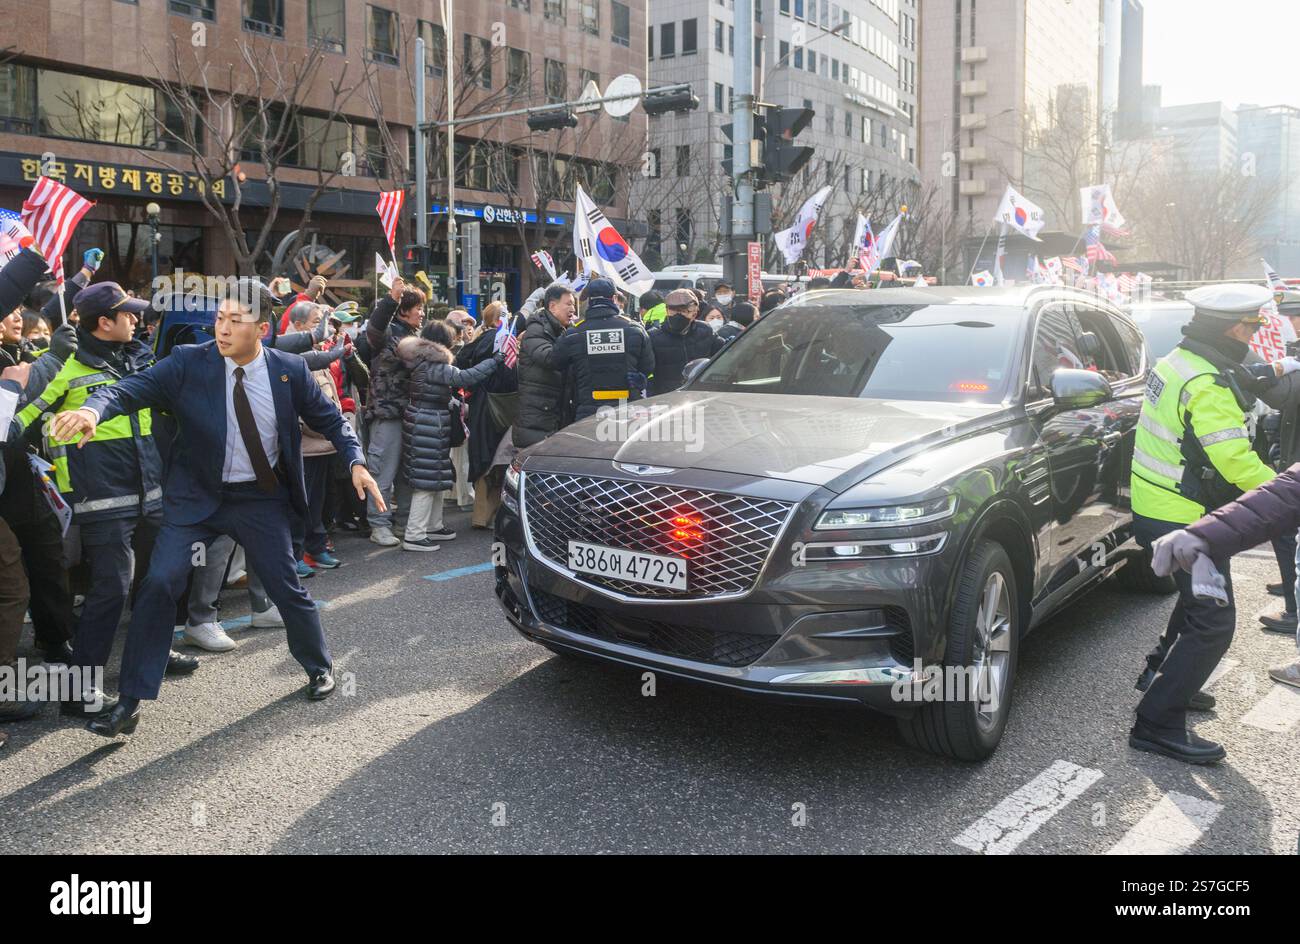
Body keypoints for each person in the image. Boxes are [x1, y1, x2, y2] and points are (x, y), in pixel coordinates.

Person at [50, 279, 383, 737]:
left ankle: (318, 666)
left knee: (286, 587)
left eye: (235, 320)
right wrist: (91, 411)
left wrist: (357, 462)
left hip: (260, 499)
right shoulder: (189, 362)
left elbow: (332, 421)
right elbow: (127, 390)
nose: (223, 329)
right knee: (159, 583)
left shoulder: (289, 371)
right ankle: (128, 703)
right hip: (197, 500)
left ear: (262, 329)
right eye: (220, 318)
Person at [18, 281, 198, 712]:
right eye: (128, 313)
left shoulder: (139, 359)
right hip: (101, 497)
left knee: (159, 581)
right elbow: (18, 419)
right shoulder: (62, 366)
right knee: (112, 589)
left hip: (150, 491)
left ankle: (154, 653)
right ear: (104, 322)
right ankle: (79, 691)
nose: (136, 319)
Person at [1127, 283, 1287, 764]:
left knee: (1195, 604)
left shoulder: (1179, 361)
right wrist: (1286, 494)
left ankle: (1159, 673)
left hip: (1160, 509)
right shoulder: (1206, 384)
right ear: (1233, 329)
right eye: (1251, 328)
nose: (1253, 336)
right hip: (1185, 521)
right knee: (1214, 622)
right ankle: (1156, 723)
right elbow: (1236, 462)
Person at [1150, 461, 1300, 691]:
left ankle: (1163, 685)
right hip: (1184, 511)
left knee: (1209, 619)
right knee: (1210, 619)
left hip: (1179, 509)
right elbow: (1279, 488)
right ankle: (1161, 682)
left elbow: (1236, 461)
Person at [396, 320, 501, 550]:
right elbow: (465, 377)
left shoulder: (419, 360)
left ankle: (433, 526)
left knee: (434, 478)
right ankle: (414, 535)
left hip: (424, 422)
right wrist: (494, 362)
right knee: (426, 483)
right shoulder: (436, 365)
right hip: (429, 424)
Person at [364, 278, 424, 547]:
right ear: (403, 311)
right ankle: (379, 525)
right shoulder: (388, 333)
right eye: (418, 308)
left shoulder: (415, 336)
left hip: (410, 412)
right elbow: (375, 328)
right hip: (387, 412)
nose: (422, 313)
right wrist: (391, 299)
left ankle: (405, 522)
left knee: (407, 473)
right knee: (382, 472)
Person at [548, 279, 654, 421]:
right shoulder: (635, 329)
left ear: (590, 300)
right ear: (614, 298)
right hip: (628, 408)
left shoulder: (574, 333)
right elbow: (648, 367)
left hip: (589, 411)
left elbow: (555, 362)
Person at [514, 283, 576, 449]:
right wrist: (573, 338)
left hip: (555, 416)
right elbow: (550, 358)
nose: (573, 309)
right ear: (552, 306)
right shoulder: (536, 330)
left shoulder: (563, 330)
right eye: (568, 304)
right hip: (538, 419)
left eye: (574, 305)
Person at [646, 288, 725, 397]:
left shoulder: (705, 330)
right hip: (667, 397)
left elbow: (722, 354)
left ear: (695, 312)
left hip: (700, 394)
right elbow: (645, 368)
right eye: (673, 310)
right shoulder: (654, 336)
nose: (677, 315)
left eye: (683, 311)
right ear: (667, 311)